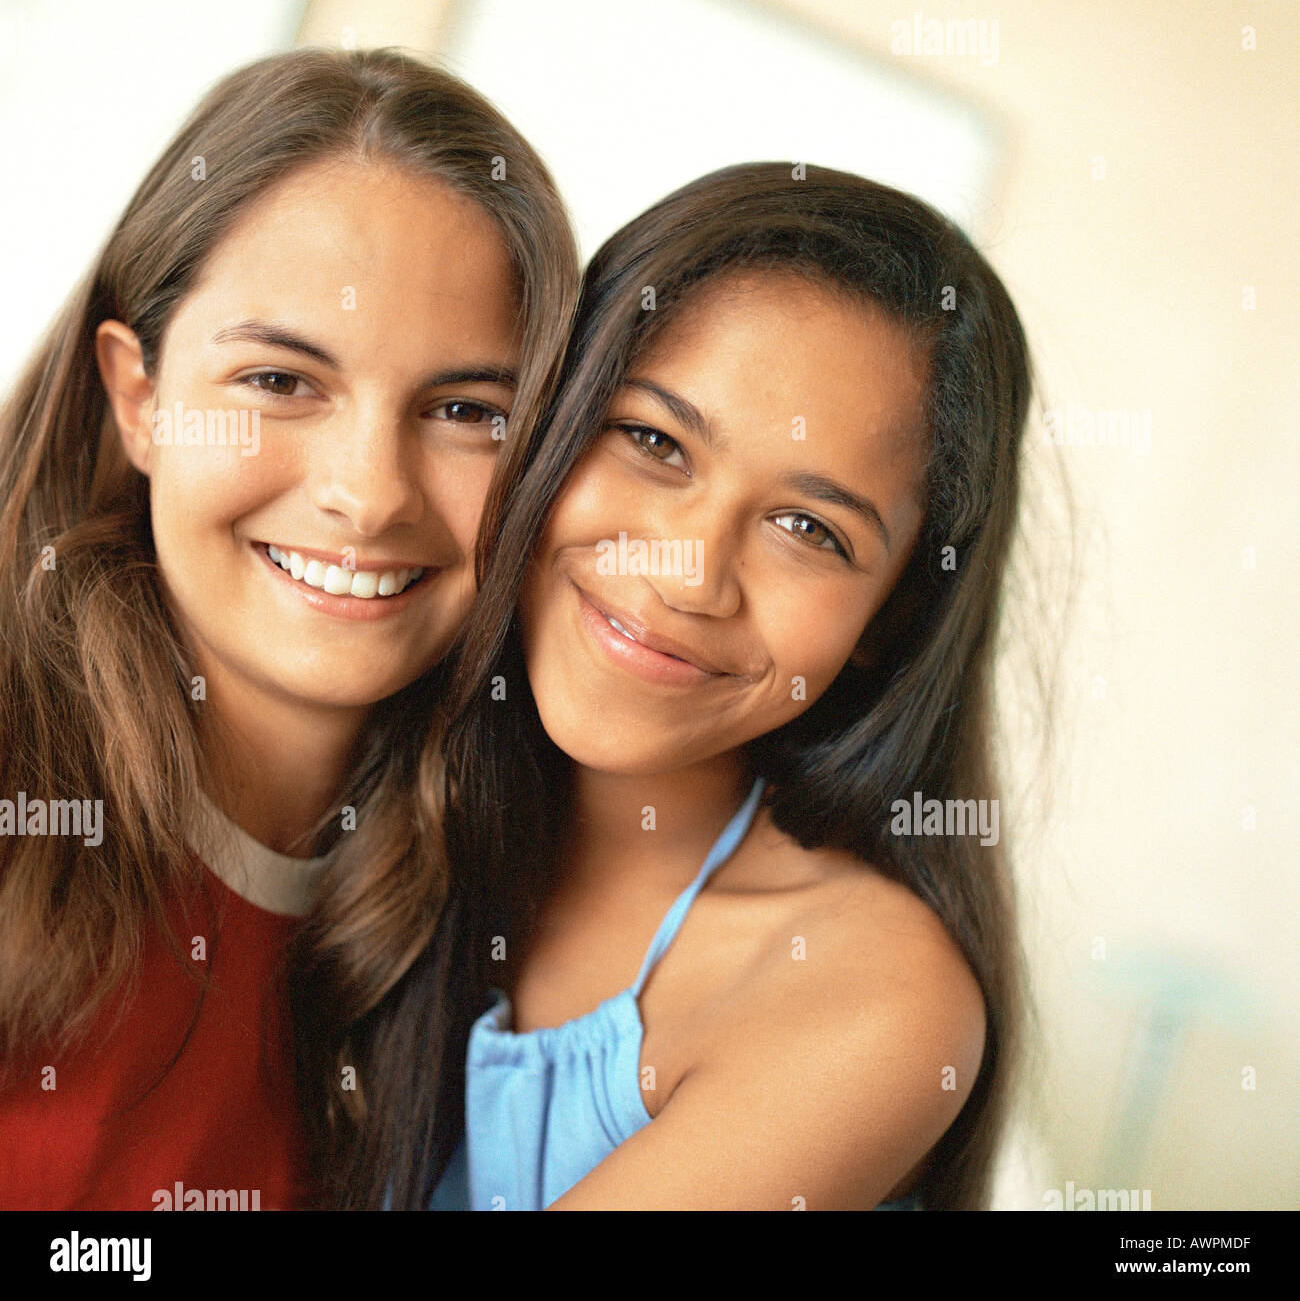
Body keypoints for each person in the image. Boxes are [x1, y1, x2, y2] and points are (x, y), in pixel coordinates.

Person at [363, 161, 1032, 1211]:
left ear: (890, 617)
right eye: (652, 440)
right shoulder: (383, 774)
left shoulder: (870, 994)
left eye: (809, 529)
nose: (689, 571)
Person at [0, 46, 578, 1209]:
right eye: (279, 381)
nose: (369, 494)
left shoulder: (500, 905)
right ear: (138, 398)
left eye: (467, 412)